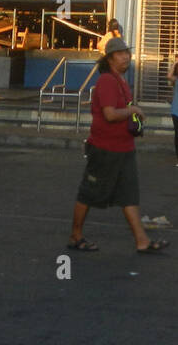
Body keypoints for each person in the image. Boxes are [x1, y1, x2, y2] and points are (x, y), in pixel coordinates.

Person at [66, 37, 167, 253]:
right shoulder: (107, 81)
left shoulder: (120, 81)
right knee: (89, 192)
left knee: (129, 194)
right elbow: (110, 114)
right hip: (105, 148)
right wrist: (134, 110)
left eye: (127, 53)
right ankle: (75, 235)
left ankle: (142, 241)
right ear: (110, 58)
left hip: (124, 148)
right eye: (121, 53)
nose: (126, 57)